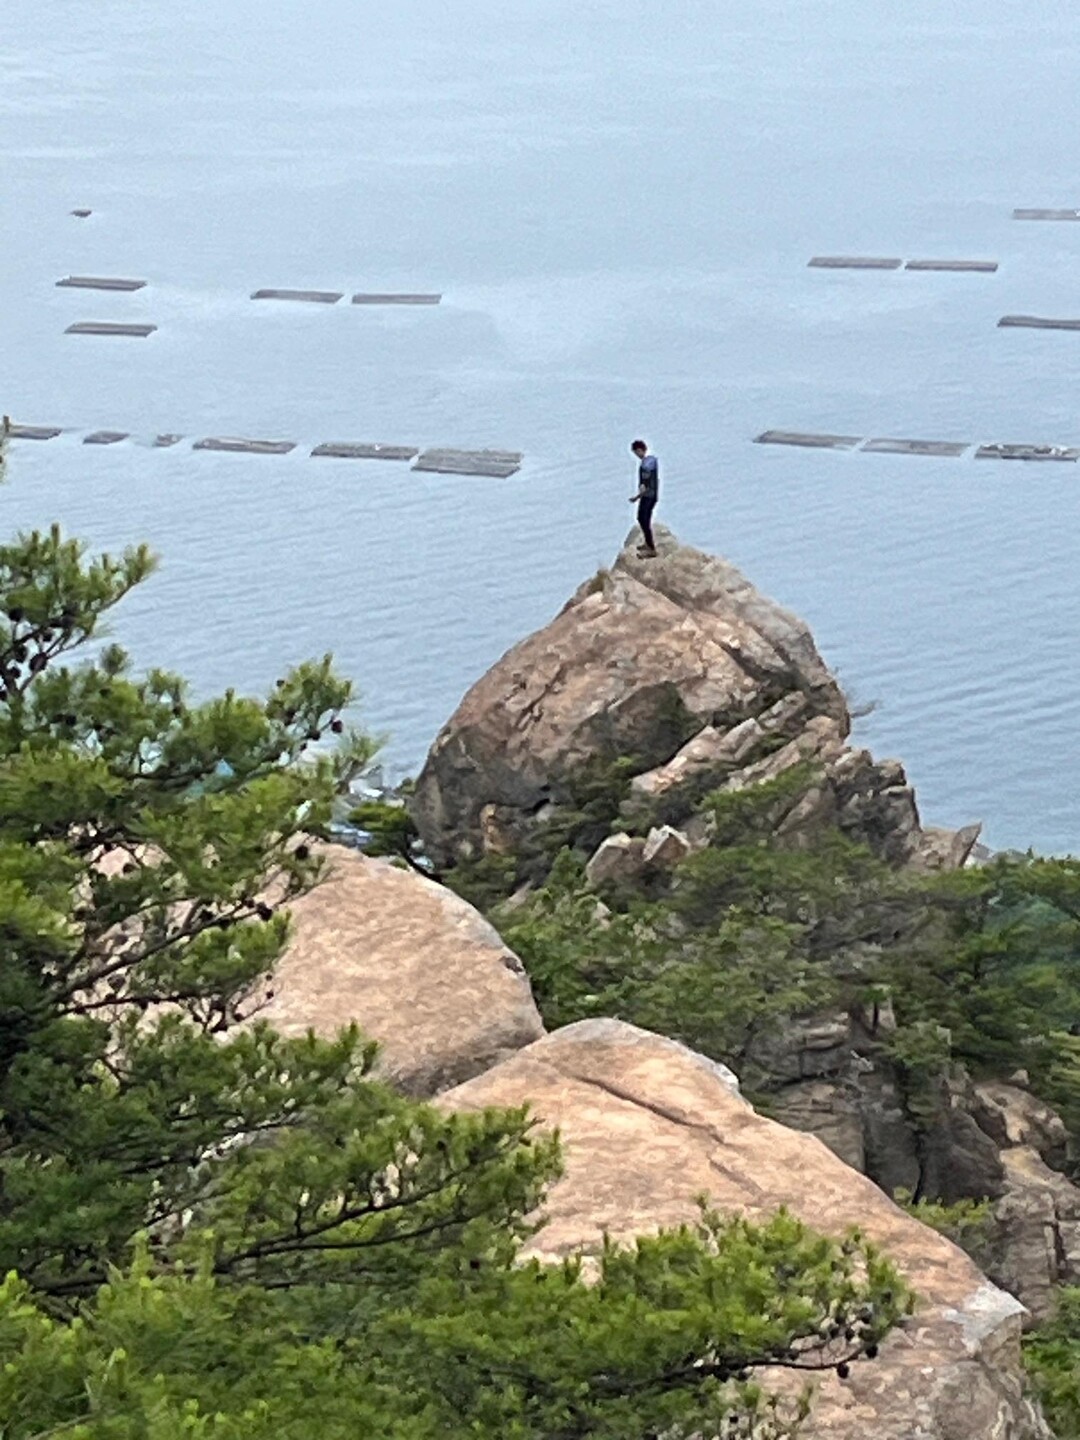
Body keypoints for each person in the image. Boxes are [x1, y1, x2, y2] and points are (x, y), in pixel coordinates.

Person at [629, 439, 659, 557]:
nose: (637, 455)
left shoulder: (646, 465)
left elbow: (645, 485)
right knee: (643, 519)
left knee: (643, 519)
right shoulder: (651, 461)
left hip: (648, 496)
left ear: (640, 450)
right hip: (651, 495)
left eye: (637, 452)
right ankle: (648, 543)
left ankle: (651, 548)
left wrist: (636, 497)